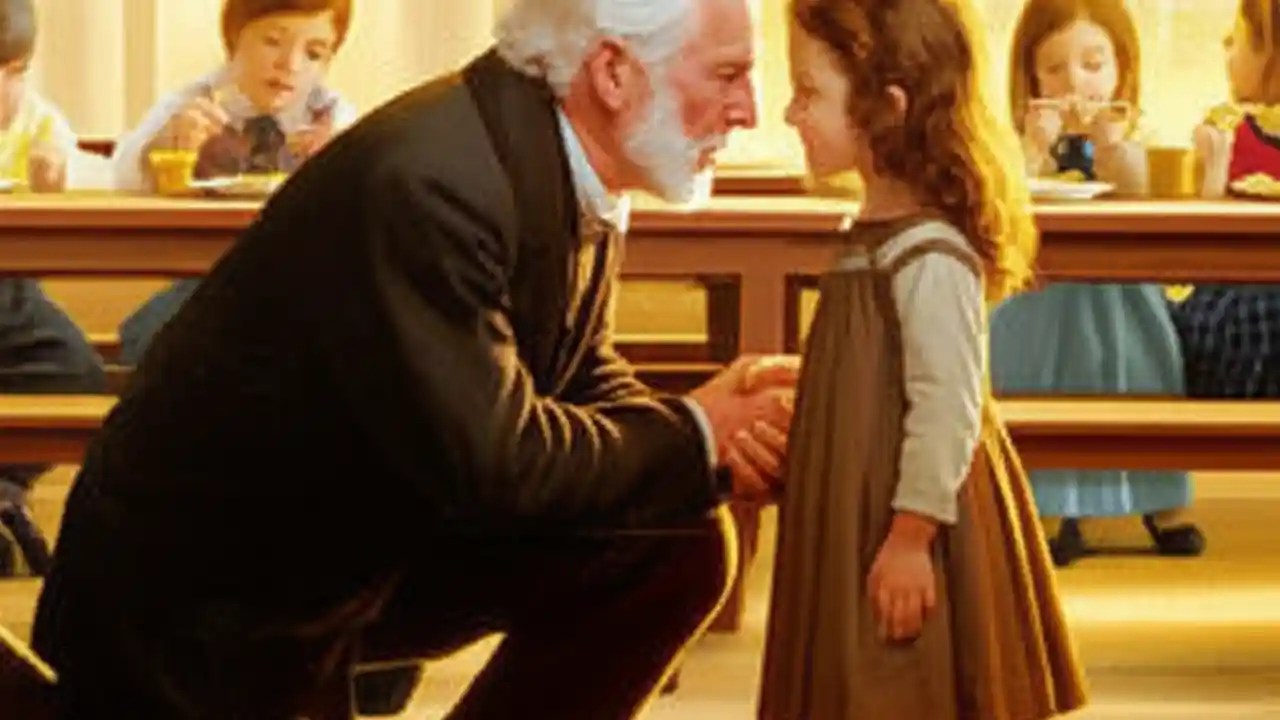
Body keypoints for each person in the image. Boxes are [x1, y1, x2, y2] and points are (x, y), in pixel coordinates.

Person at [32, 0, 797, 717]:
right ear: (612, 72)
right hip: (205, 609)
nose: (752, 110)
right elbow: (503, 467)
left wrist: (714, 434)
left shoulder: (550, 144)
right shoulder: (435, 180)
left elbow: (573, 369)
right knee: (667, 516)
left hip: (352, 542)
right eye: (729, 74)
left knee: (674, 540)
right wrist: (698, 430)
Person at [758, 0, 1088, 717]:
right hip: (859, 498)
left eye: (808, 91)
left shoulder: (929, 253)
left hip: (908, 511)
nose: (790, 112)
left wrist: (910, 537)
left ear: (888, 106)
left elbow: (947, 404)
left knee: (906, 673)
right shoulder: (869, 236)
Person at [990, 0, 1202, 567]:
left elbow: (1143, 195)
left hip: (1121, 289)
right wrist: (1034, 148)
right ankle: (1051, 503)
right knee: (1039, 373)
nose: (1074, 82)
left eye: (1091, 63)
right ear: (1030, 75)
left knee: (1142, 373)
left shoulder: (1136, 133)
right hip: (1041, 292)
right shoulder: (1016, 139)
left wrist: (1110, 146)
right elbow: (1002, 198)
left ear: (1120, 67)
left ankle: (1162, 500)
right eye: (1054, 68)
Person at [112, 0, 359, 366]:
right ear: (233, 39)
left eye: (313, 54)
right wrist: (162, 147)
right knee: (156, 339)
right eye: (273, 41)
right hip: (205, 276)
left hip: (299, 284)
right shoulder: (196, 102)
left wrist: (339, 164)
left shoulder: (332, 118)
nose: (290, 64)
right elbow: (120, 175)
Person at [0, 0, 108, 579]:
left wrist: (59, 181)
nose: (5, 91)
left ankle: (4, 485)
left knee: (72, 373)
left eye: (16, 72)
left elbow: (106, 178)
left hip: (8, 288)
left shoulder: (36, 123)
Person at [1175, 0, 1280, 399]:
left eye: (1237, 39)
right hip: (1229, 290)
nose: (1225, 46)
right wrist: (1213, 169)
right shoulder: (1226, 129)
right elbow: (1197, 252)